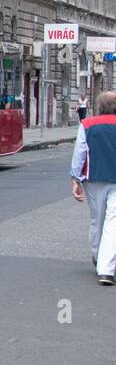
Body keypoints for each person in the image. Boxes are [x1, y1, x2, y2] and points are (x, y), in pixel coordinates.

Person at [71, 90, 116, 285]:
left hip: (93, 178)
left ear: (99, 106)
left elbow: (80, 152)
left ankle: (99, 257)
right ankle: (106, 270)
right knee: (113, 222)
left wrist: (75, 179)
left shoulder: (86, 125)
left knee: (97, 219)